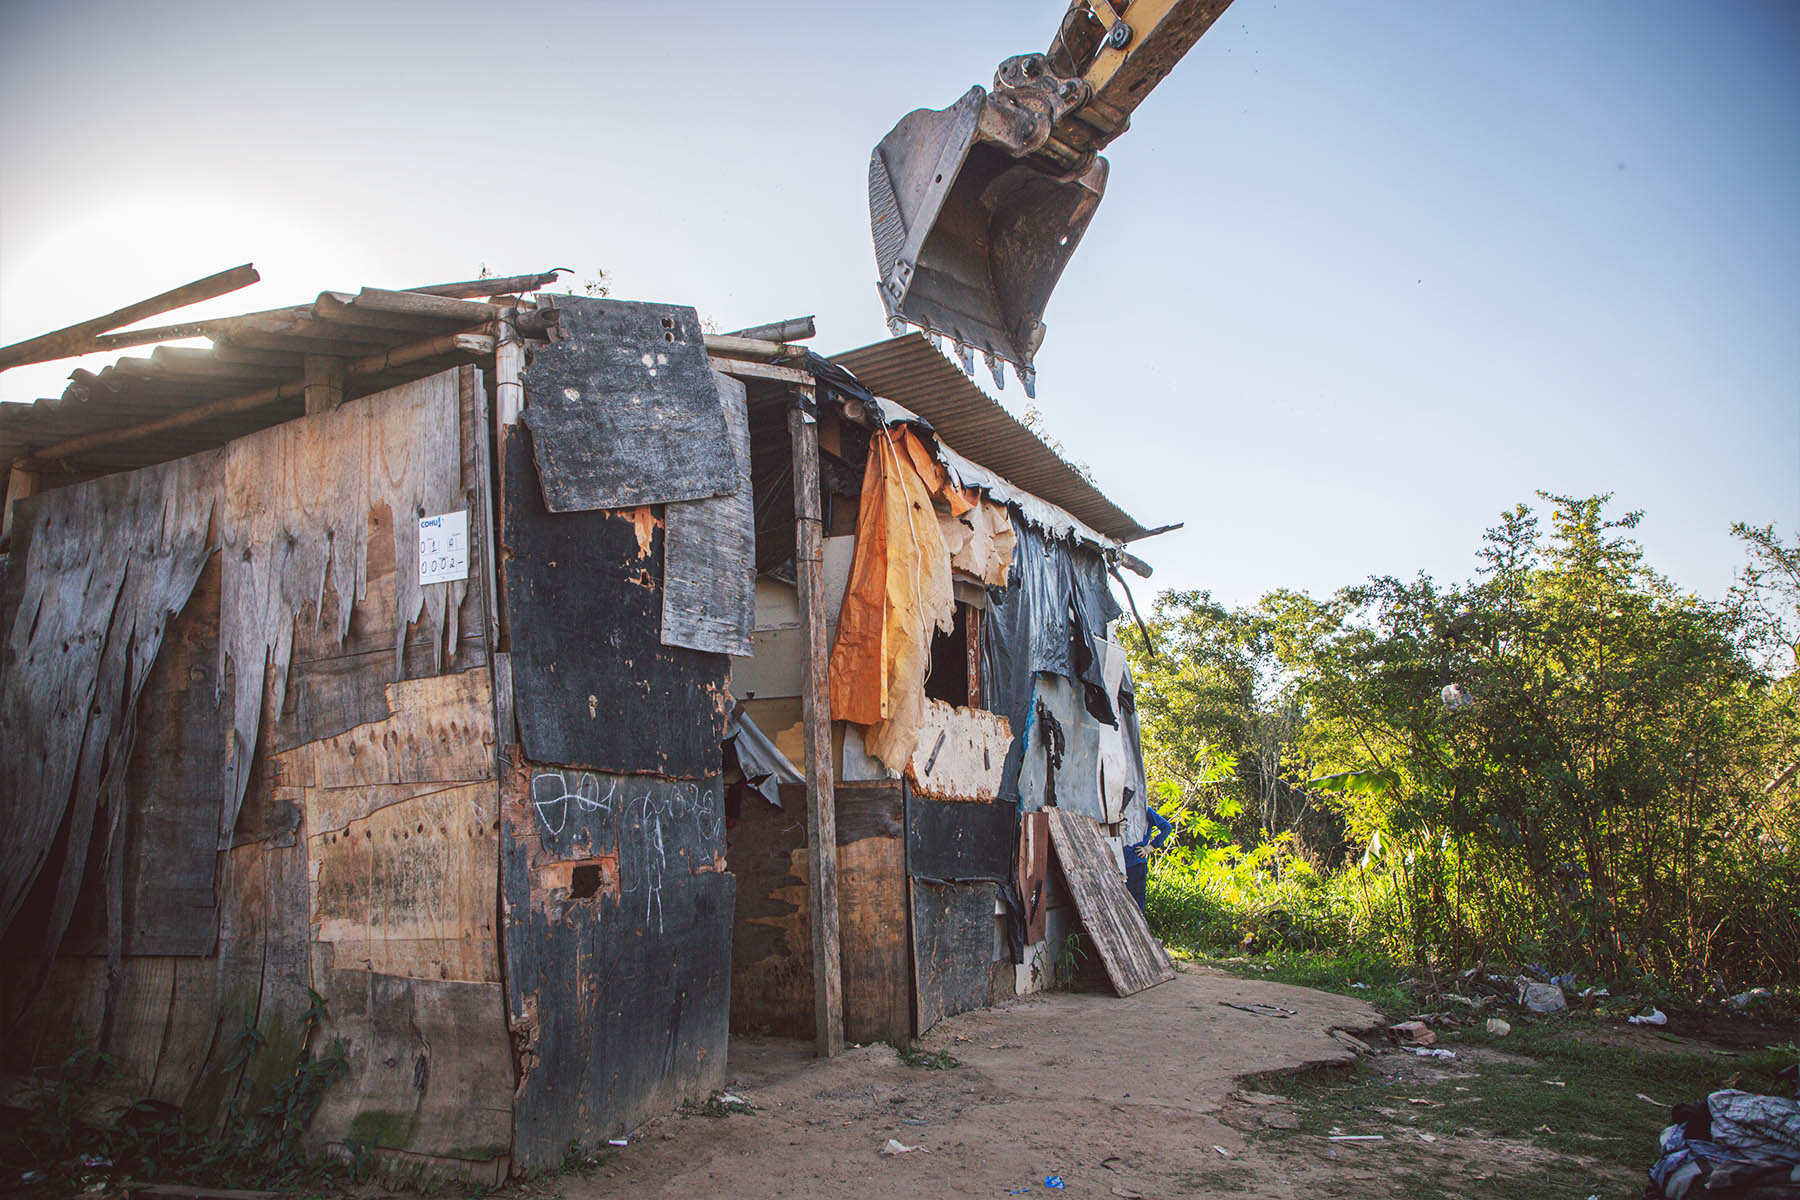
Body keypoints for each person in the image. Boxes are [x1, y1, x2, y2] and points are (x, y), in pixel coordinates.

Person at [1124, 803, 1172, 914]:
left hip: (1136, 864)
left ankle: (1139, 929)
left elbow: (1166, 827)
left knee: (1137, 903)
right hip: (1118, 863)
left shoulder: (1144, 809)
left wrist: (1150, 847)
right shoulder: (1114, 808)